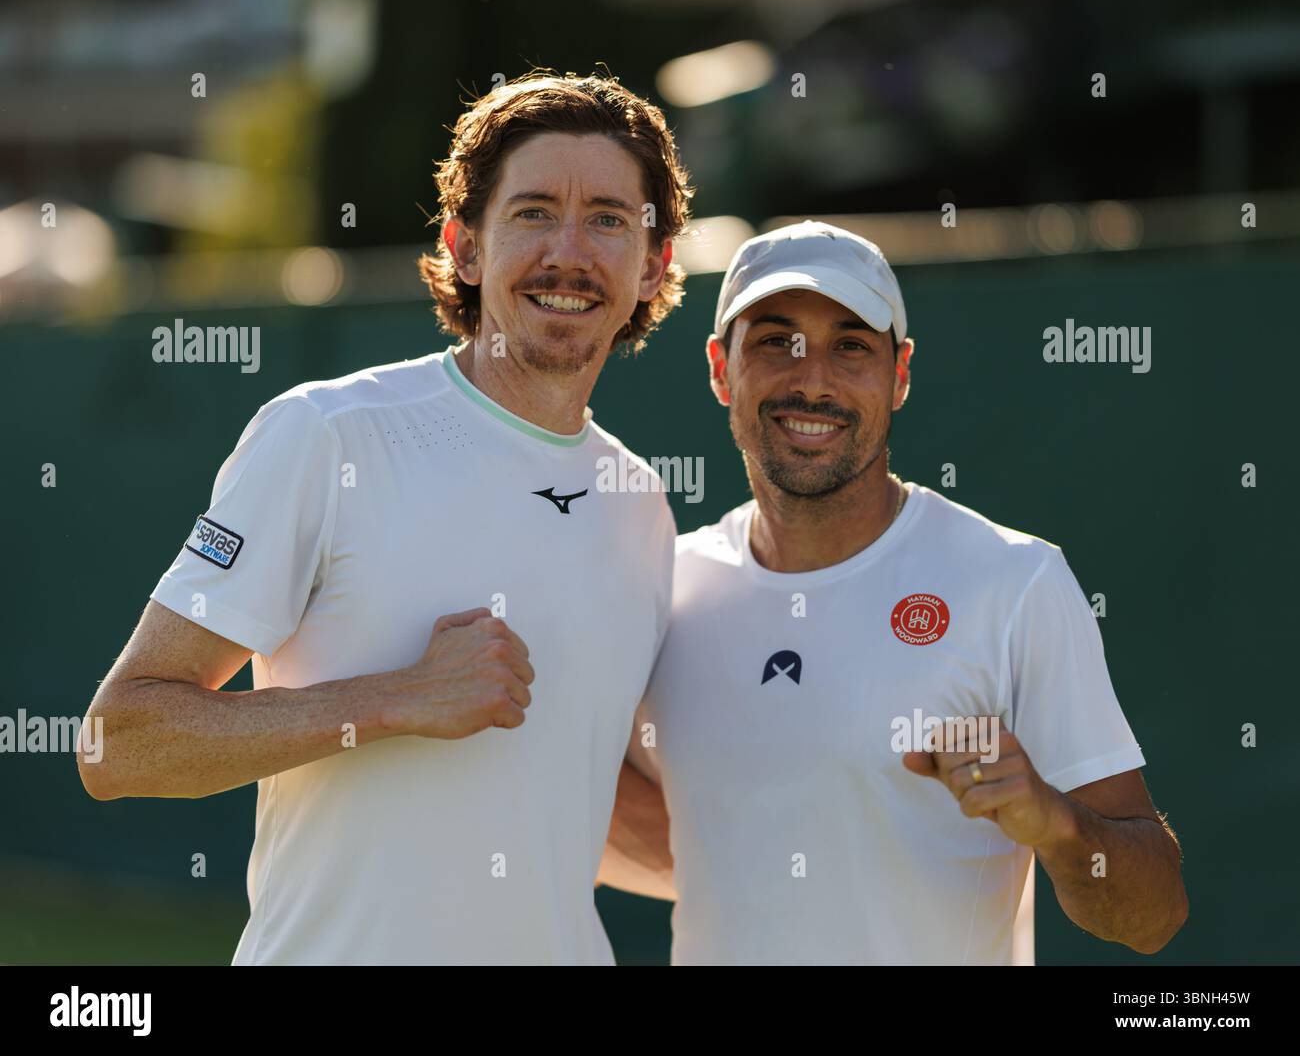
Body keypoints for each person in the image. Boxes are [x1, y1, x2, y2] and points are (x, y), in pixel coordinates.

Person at [79, 70, 692, 966]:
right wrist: (395, 699)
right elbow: (118, 742)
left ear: (655, 264)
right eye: (531, 212)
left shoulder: (641, 503)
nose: (570, 249)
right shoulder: (325, 435)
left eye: (608, 217)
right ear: (465, 246)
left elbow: (575, 803)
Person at [599, 220, 1188, 965]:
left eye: (850, 345)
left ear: (900, 373)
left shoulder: (1015, 581)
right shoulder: (663, 585)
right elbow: (590, 805)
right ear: (722, 369)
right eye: (777, 341)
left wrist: (1055, 822)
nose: (812, 378)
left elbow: (1155, 914)